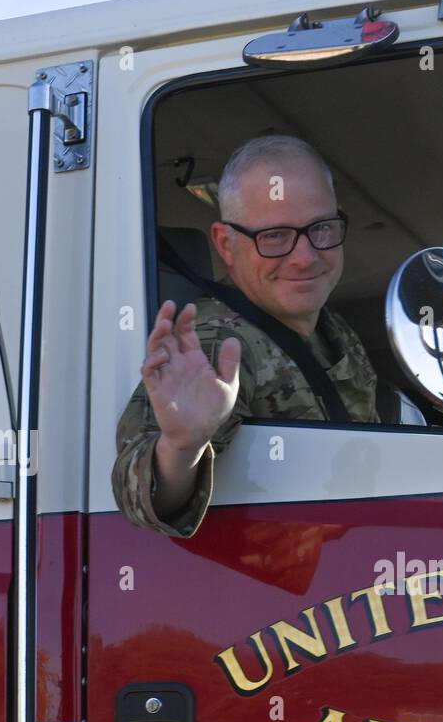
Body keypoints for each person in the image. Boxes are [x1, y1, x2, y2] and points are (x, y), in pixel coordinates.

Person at [112, 135, 421, 538]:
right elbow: (140, 500)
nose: (305, 256)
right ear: (226, 243)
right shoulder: (218, 345)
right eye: (275, 236)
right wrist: (181, 446)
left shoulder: (334, 329)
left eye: (321, 228)